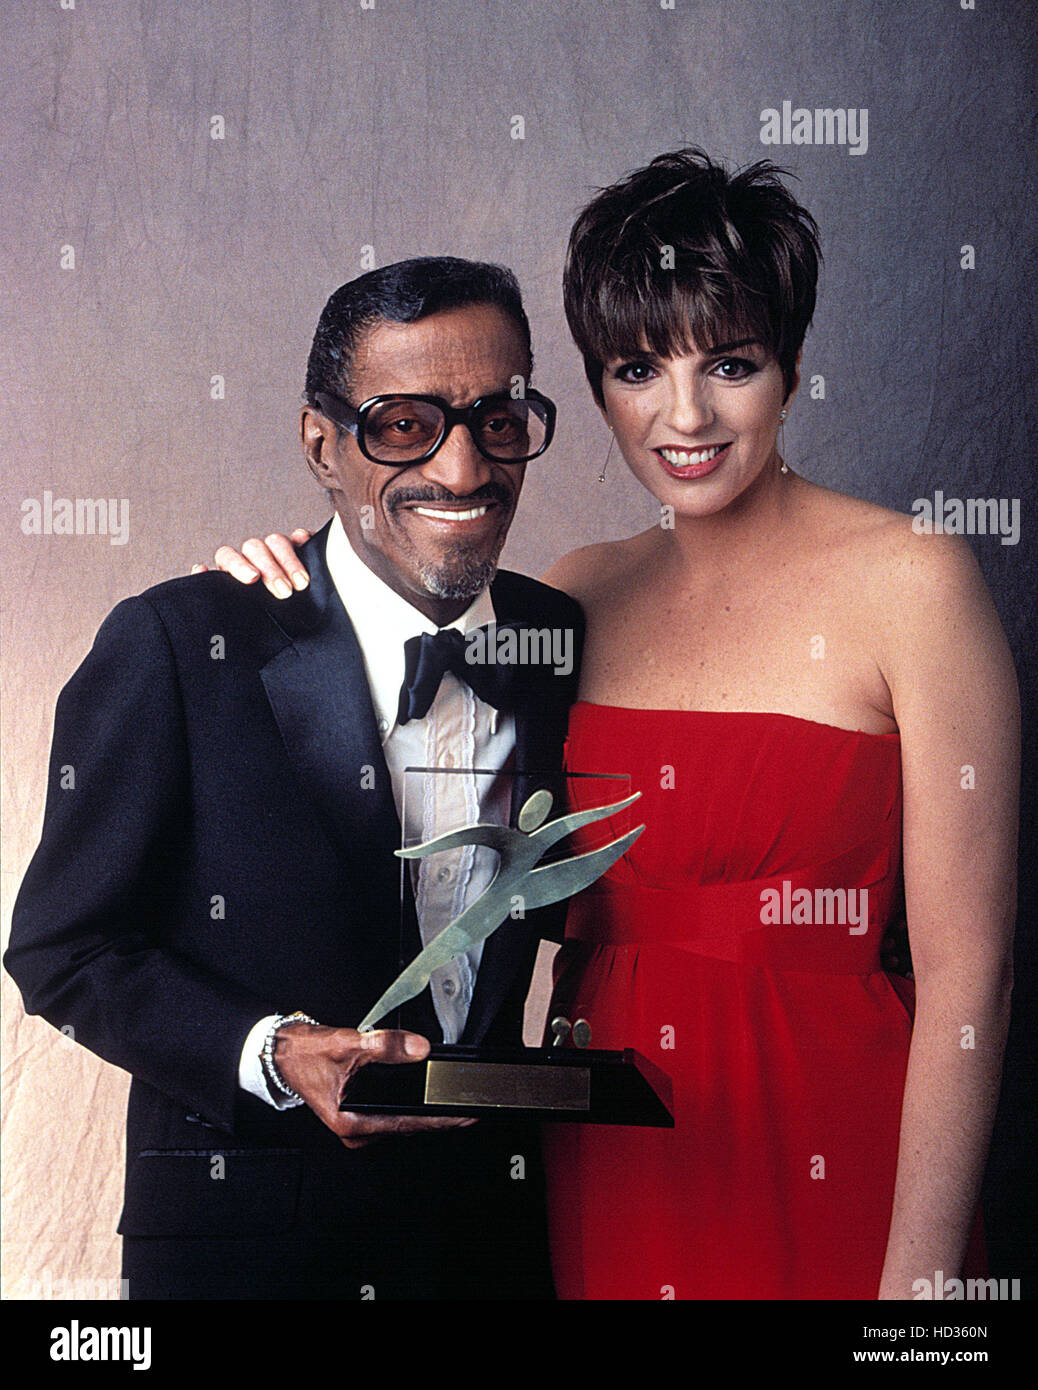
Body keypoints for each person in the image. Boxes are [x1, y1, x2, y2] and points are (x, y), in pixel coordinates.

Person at [213, 150, 1018, 1301]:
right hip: (603, 1149)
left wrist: (924, 1291)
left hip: (840, 1146)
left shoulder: (916, 582)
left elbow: (971, 981)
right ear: (593, 385)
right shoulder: (569, 596)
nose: (683, 415)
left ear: (790, 366)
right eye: (639, 368)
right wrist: (265, 588)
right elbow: (391, 723)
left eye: (730, 363)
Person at [5, 257, 584, 1300]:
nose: (463, 469)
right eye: (403, 425)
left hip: (486, 1252)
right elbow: (62, 945)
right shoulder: (182, 641)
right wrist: (273, 1053)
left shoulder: (563, 641)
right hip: (248, 1256)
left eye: (497, 419)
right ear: (323, 443)